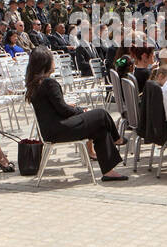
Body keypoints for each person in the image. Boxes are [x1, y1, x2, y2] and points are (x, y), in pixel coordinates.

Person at [25, 47, 127, 180]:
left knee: (100, 129)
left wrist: (73, 108)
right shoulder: (49, 83)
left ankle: (109, 171)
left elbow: (55, 108)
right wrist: (80, 110)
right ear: (46, 63)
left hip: (51, 129)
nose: (54, 62)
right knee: (101, 113)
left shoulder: (35, 83)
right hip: (60, 129)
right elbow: (64, 110)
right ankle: (117, 139)